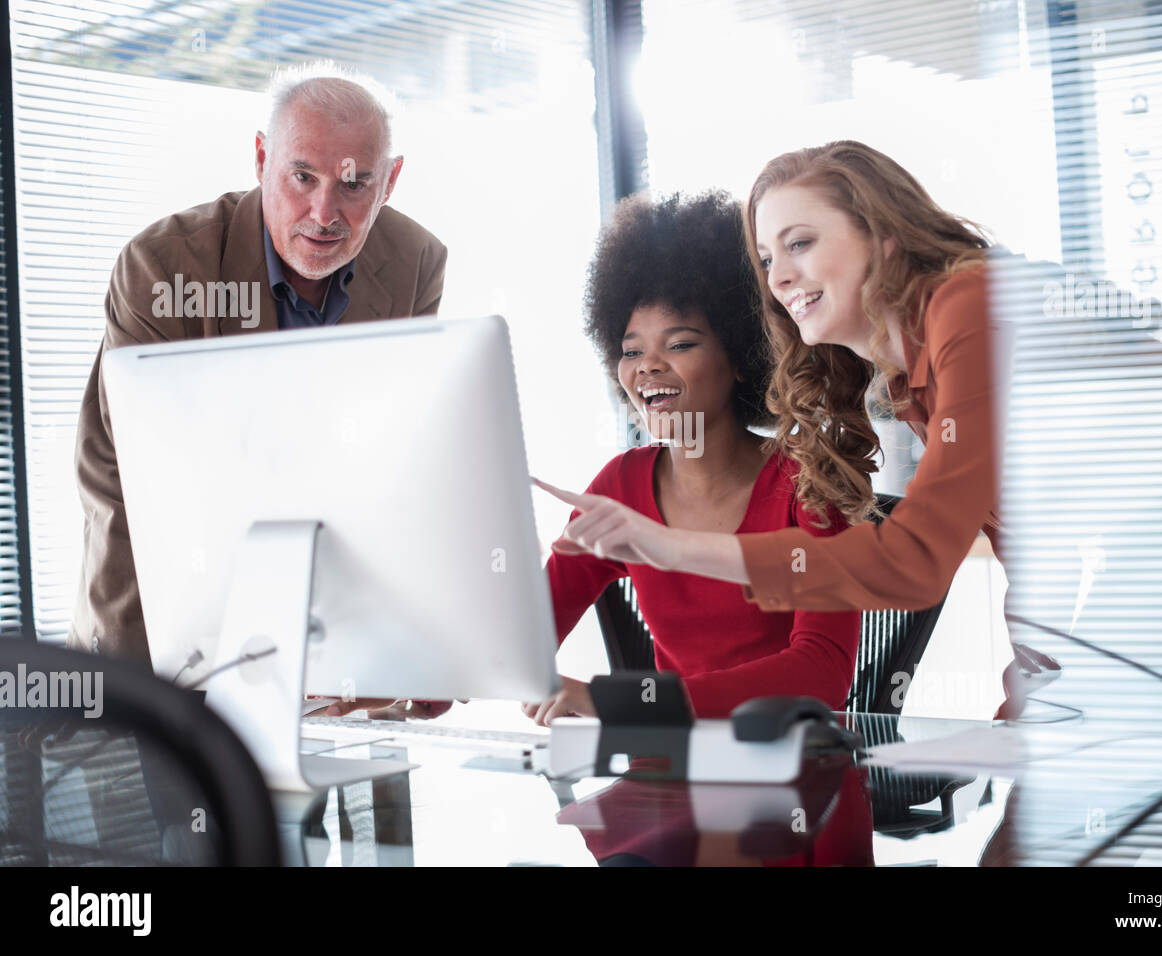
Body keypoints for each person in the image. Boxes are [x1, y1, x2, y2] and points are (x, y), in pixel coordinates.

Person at [537, 141, 1049, 718]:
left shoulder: (968, 314)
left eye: (799, 243)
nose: (779, 279)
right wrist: (1031, 715)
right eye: (765, 259)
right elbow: (1042, 571)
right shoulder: (914, 384)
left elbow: (913, 565)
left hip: (1146, 651)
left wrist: (669, 553)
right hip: (1102, 671)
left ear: (883, 235)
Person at [69, 63, 448, 666]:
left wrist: (414, 650)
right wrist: (137, 689)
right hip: (171, 607)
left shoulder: (414, 262)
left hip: (338, 632)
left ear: (391, 181)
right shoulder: (165, 267)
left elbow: (395, 464)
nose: (325, 213)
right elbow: (124, 481)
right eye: (302, 176)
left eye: (355, 185)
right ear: (260, 158)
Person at [522, 191, 862, 725]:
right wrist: (419, 690)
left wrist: (621, 702)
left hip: (797, 777)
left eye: (679, 345)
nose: (647, 368)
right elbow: (523, 639)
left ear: (742, 357)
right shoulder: (621, 486)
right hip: (674, 773)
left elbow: (821, 675)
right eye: (631, 351)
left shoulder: (806, 484)